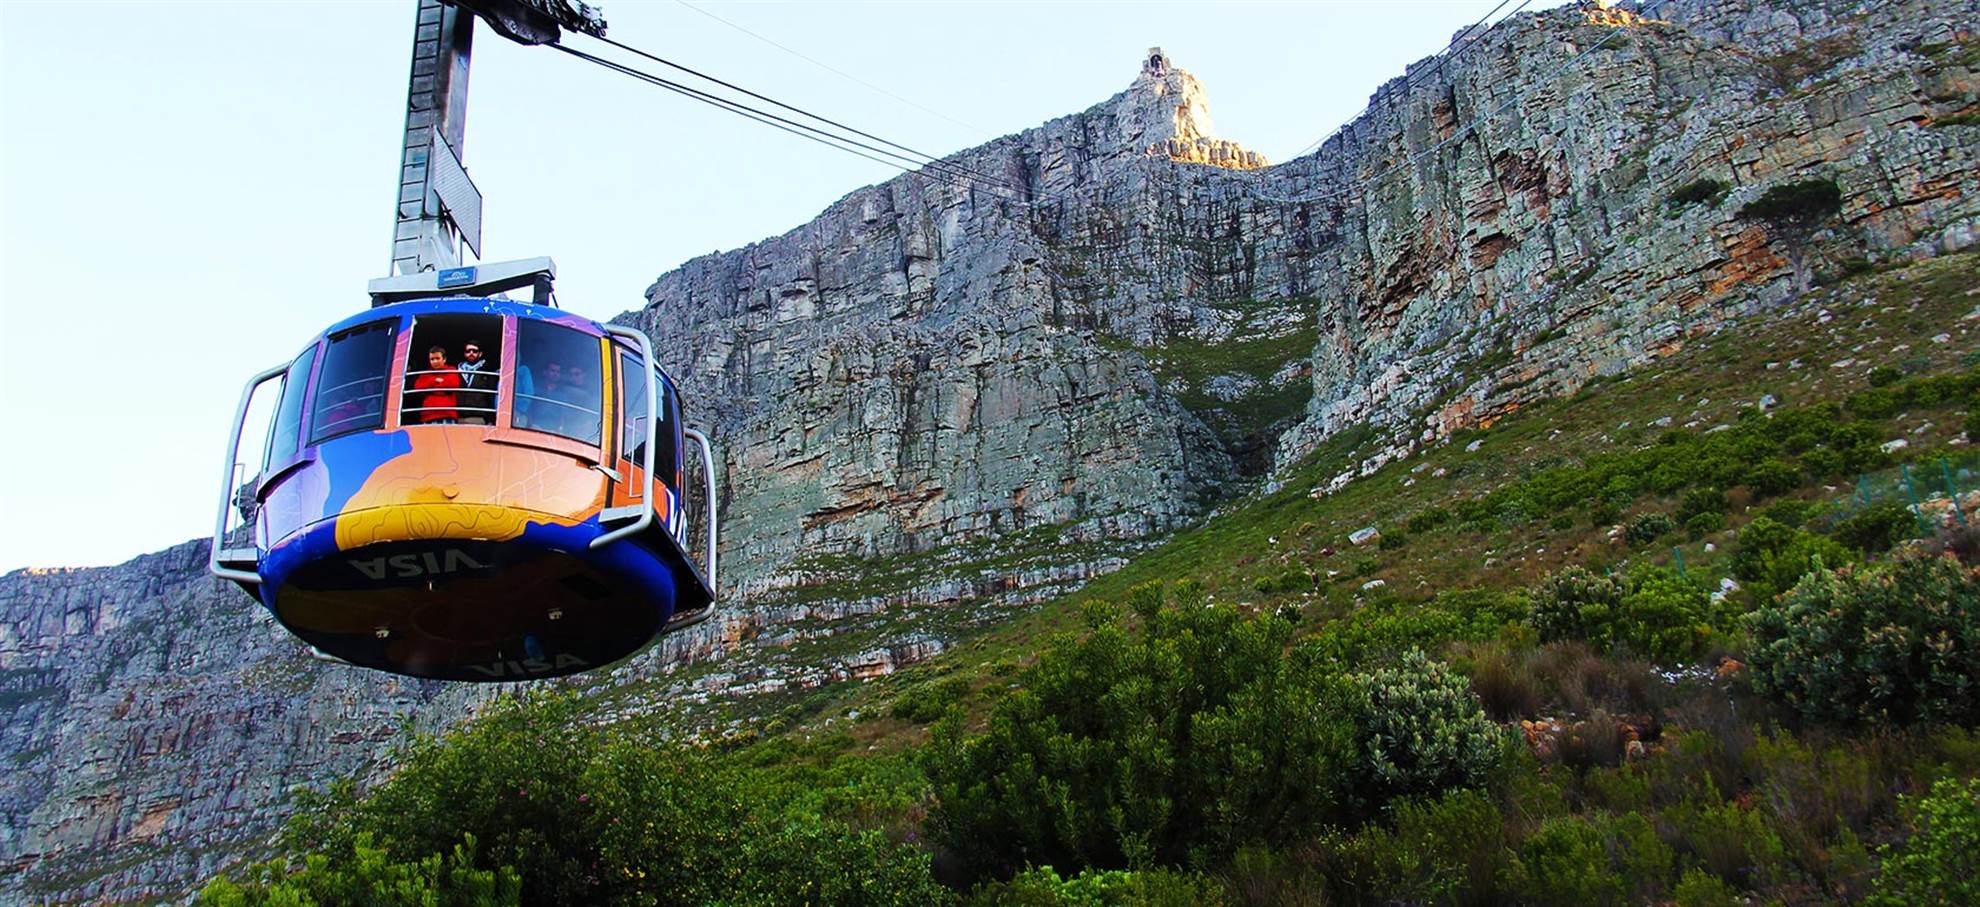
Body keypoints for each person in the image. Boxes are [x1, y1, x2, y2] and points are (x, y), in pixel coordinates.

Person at [410, 345, 462, 423]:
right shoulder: (425, 373)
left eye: (437, 358)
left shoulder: (451, 370)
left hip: (447, 414)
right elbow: (418, 388)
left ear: (444, 359)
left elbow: (453, 385)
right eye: (432, 359)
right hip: (428, 415)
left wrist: (430, 389)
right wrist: (434, 381)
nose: (434, 361)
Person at [456, 340, 496, 424]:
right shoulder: (457, 371)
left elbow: (491, 396)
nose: (471, 353)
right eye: (468, 351)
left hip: (478, 417)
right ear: (464, 354)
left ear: (480, 353)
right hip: (459, 417)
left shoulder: (487, 371)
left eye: (474, 351)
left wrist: (491, 419)